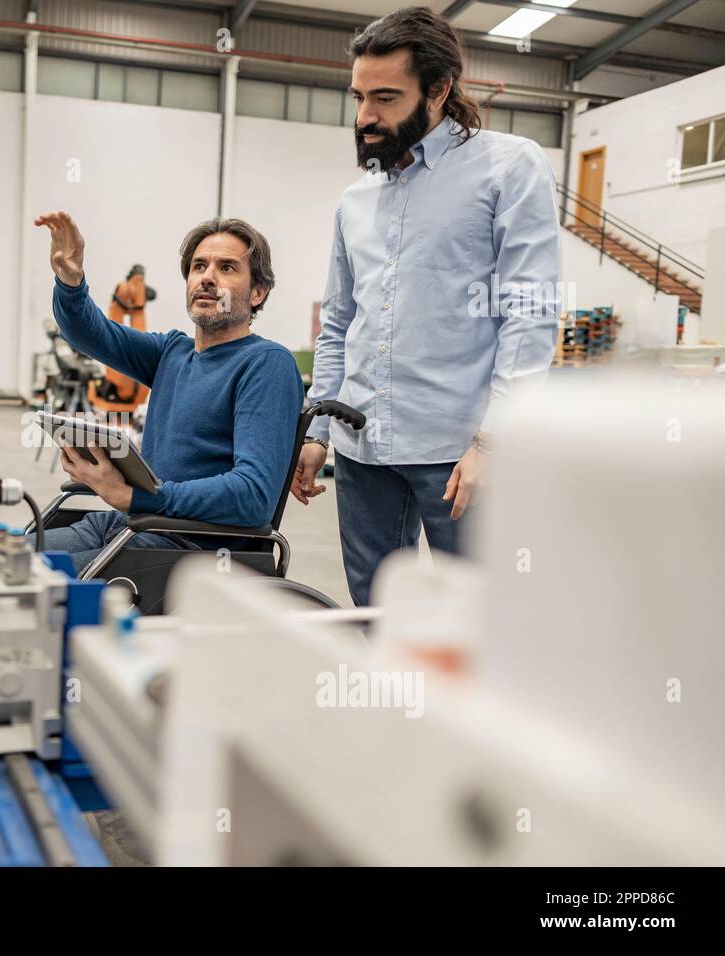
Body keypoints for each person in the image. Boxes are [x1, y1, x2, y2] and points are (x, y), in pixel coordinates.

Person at [293, 6, 560, 606]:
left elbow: (531, 309)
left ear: (439, 90)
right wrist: (317, 429)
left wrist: (495, 440)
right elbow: (339, 323)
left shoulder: (508, 167)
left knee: (481, 621)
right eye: (358, 96)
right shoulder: (355, 201)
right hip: (362, 448)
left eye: (386, 97)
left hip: (460, 450)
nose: (365, 116)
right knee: (376, 612)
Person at [31, 211, 302, 574]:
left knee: (33, 586)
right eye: (198, 266)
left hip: (190, 545)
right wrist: (70, 279)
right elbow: (89, 333)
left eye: (226, 268)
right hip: (133, 524)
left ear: (258, 292)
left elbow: (252, 495)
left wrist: (136, 496)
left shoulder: (266, 363)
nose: (207, 277)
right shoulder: (173, 352)